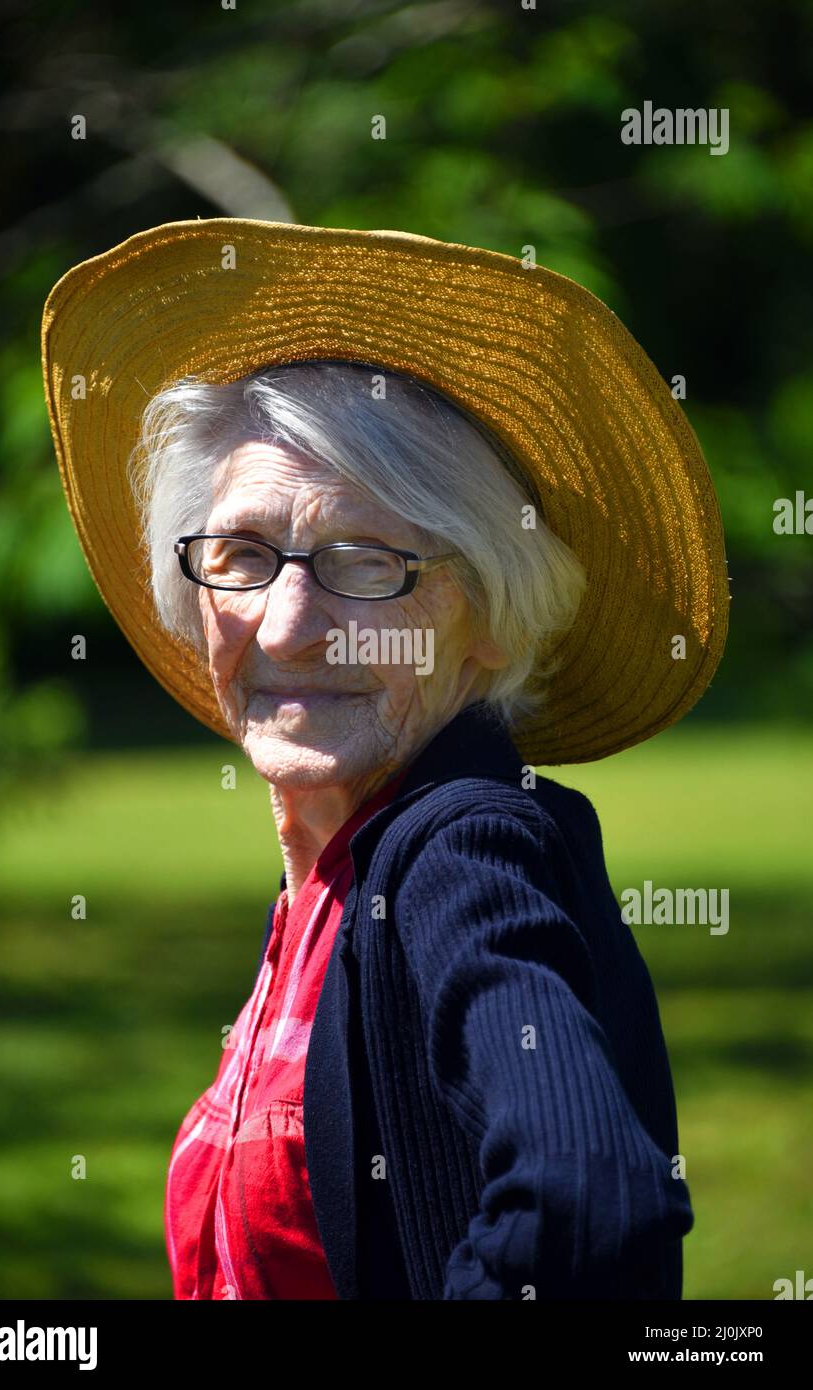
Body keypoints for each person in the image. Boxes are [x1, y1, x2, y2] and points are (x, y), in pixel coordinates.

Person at [41, 217, 729, 1299]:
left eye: (366, 564)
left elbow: (593, 1201)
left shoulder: (458, 849)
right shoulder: (336, 875)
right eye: (244, 556)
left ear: (490, 617)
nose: (284, 625)